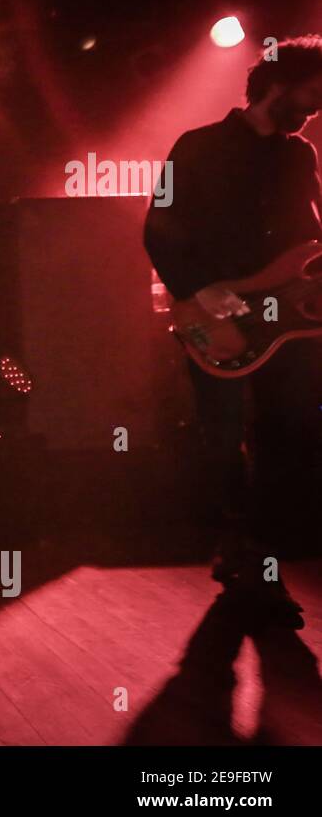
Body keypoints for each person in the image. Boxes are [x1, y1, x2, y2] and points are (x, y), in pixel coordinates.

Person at [144, 35, 322, 627]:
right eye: (313, 92)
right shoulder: (196, 146)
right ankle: (238, 544)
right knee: (221, 437)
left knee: (288, 438)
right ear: (277, 84)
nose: (317, 106)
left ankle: (259, 565)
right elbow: (158, 230)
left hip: (287, 320)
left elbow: (308, 239)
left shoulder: (299, 156)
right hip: (209, 311)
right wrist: (206, 298)